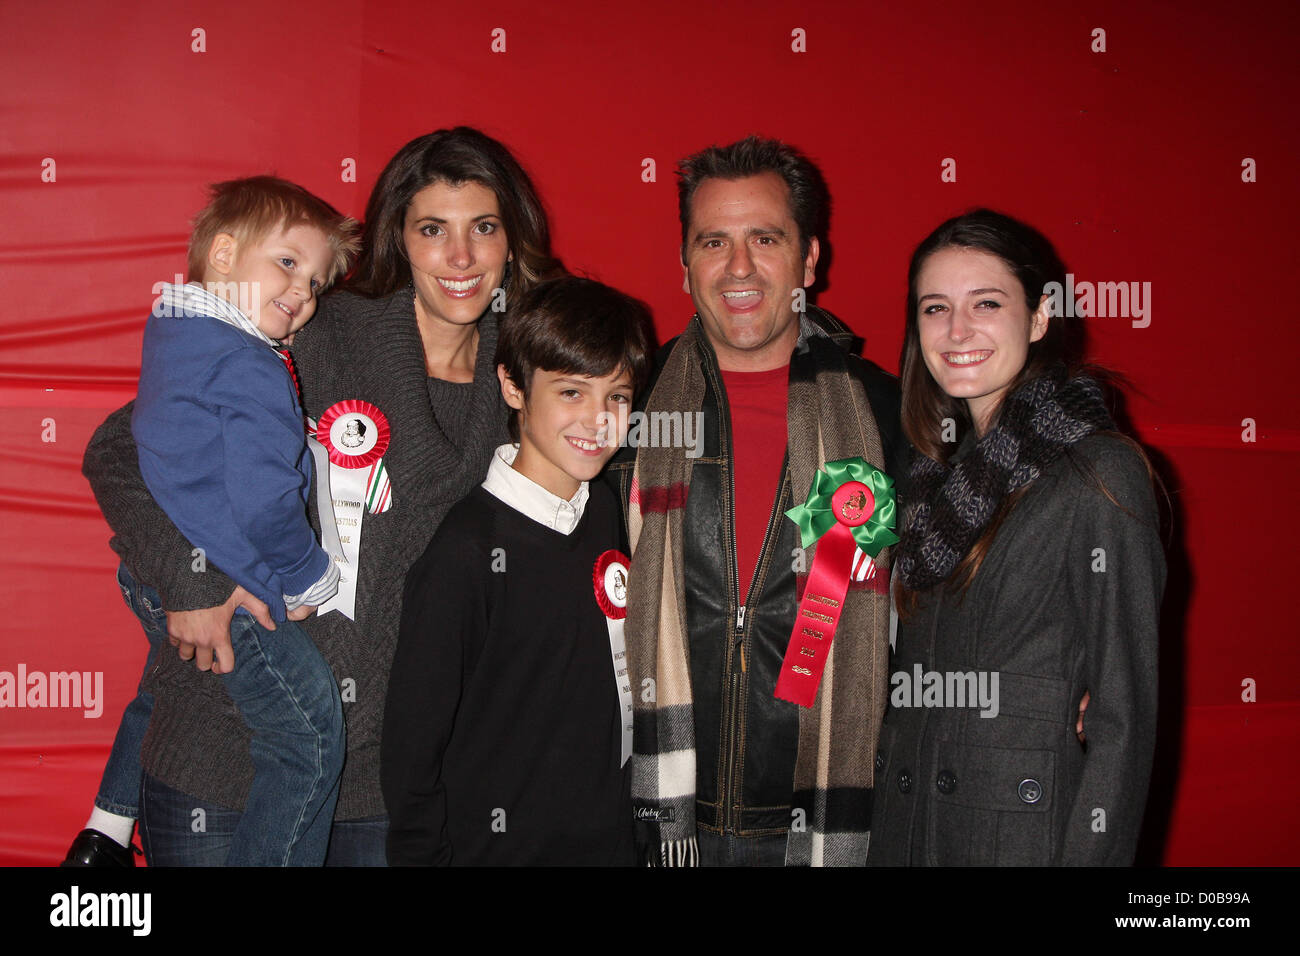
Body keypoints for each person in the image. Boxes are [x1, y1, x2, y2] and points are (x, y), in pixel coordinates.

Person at [73, 127, 563, 866]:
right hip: (221, 755)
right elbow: (120, 448)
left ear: (511, 240)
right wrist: (193, 576)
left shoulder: (533, 378)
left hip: (390, 790)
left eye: (483, 228)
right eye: (433, 229)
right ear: (400, 239)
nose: (460, 257)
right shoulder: (309, 328)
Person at [606, 136, 905, 866]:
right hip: (660, 817)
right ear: (685, 266)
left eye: (764, 239)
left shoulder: (890, 416)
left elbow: (959, 593)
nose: (738, 268)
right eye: (714, 242)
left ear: (809, 260)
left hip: (830, 819)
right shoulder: (626, 415)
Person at [64, 176, 358, 867]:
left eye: (316, 283)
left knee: (165, 681)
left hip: (149, 572)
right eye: (288, 263)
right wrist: (308, 577)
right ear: (223, 253)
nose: (303, 295)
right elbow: (264, 501)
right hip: (229, 587)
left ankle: (105, 829)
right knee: (310, 734)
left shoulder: (176, 329)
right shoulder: (250, 362)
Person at [868, 209, 1165, 866]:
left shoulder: (1098, 472)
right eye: (934, 308)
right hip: (902, 830)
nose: (957, 330)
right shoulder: (923, 474)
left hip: (1017, 840)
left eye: (987, 303)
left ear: (1037, 319)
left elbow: (1123, 720)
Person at [383, 276, 653, 865]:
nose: (599, 421)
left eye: (617, 396)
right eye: (571, 392)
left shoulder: (605, 508)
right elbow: (411, 747)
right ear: (512, 387)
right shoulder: (466, 552)